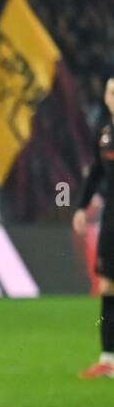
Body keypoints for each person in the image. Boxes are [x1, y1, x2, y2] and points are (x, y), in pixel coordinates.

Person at [73, 76, 114, 379]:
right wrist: (80, 207)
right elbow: (94, 173)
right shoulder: (104, 134)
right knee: (107, 286)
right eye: (111, 91)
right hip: (111, 220)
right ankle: (108, 359)